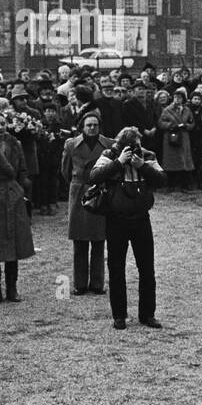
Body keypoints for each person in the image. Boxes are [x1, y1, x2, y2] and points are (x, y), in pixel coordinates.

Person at [91, 126, 164, 330]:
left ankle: (147, 314)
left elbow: (162, 180)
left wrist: (142, 166)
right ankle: (119, 315)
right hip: (116, 219)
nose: (134, 149)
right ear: (120, 145)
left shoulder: (147, 155)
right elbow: (94, 176)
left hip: (141, 218)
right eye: (129, 146)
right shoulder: (110, 154)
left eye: (137, 145)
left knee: (147, 268)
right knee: (116, 268)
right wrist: (119, 162)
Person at [0, 110, 36, 303]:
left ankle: (12, 287)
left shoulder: (14, 143)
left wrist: (22, 188)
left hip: (13, 195)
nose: (0, 128)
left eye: (3, 124)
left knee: (14, 243)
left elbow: (23, 169)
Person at [60, 111, 111, 296]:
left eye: (95, 125)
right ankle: (79, 284)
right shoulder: (71, 144)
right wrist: (77, 185)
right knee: (80, 241)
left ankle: (97, 283)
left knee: (99, 240)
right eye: (88, 125)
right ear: (82, 126)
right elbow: (65, 171)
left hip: (99, 192)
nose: (92, 128)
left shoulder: (108, 144)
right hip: (79, 191)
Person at [158, 89, 196, 191]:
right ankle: (171, 185)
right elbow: (161, 123)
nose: (177, 99)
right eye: (175, 97)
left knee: (184, 161)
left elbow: (192, 123)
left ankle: (184, 185)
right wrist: (171, 125)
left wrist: (186, 126)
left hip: (184, 137)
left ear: (183, 99)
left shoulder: (187, 110)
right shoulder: (167, 110)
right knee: (171, 161)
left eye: (179, 98)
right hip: (171, 137)